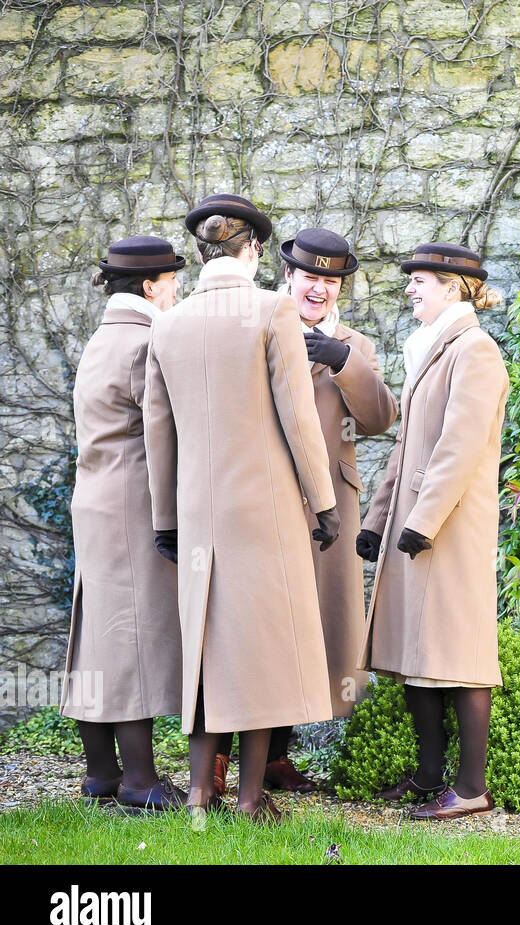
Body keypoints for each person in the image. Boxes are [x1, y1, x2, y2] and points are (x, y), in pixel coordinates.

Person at [143, 193, 340, 823]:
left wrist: (164, 519)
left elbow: (157, 429)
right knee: (260, 650)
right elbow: (299, 417)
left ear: (203, 253)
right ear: (254, 248)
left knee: (207, 647)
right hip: (266, 508)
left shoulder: (167, 324)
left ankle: (201, 793)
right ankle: (252, 798)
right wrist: (325, 502)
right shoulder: (272, 310)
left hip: (198, 512)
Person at [210, 228, 398, 796]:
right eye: (310, 277)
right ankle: (218, 756)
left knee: (311, 624)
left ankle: (275, 758)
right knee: (248, 623)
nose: (319, 288)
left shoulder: (355, 345)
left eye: (330, 280)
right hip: (260, 496)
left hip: (329, 508)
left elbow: (378, 419)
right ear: (287, 275)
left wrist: (344, 362)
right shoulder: (257, 322)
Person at [356, 242, 508, 820]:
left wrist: (420, 522)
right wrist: (377, 520)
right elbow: (406, 448)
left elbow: (460, 449)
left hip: (451, 529)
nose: (410, 289)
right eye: (411, 281)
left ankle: (471, 788)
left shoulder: (476, 351)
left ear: (454, 287)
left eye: (420, 280)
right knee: (416, 652)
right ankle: (426, 776)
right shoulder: (431, 349)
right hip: (417, 525)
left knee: (458, 653)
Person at [61, 236, 188, 812]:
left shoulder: (101, 338)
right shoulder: (145, 343)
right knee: (131, 636)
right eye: (173, 281)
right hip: (134, 503)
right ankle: (140, 781)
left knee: (98, 635)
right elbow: (164, 433)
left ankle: (101, 773)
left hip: (94, 500)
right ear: (149, 287)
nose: (178, 290)